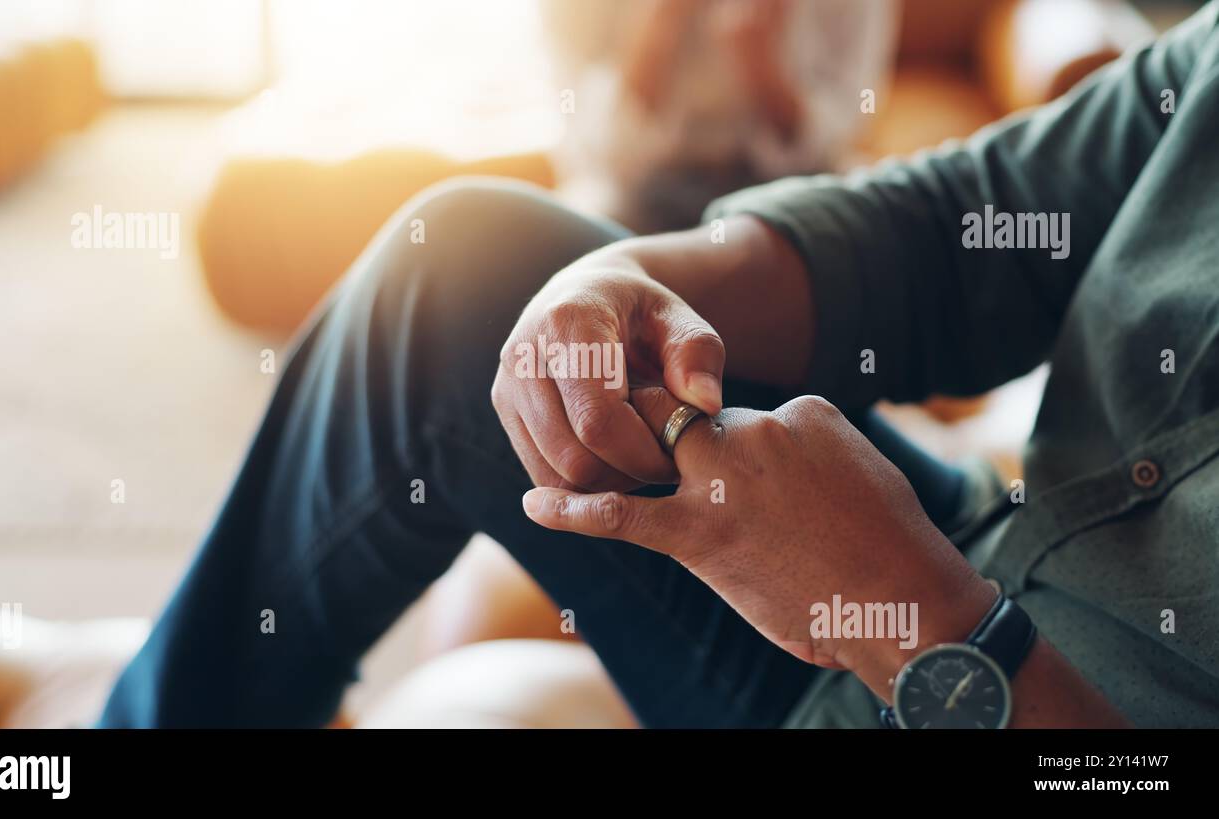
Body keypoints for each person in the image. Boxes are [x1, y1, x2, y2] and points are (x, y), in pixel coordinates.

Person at [100, 3, 1219, 728]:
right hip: (977, 548)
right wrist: (627, 280)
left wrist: (910, 615)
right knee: (463, 262)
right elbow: (963, 219)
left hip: (988, 692)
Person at [543, 0, 897, 233]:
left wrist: (760, 62)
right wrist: (658, 30)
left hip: (794, 182)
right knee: (581, 236)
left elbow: (843, 126)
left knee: (874, 225)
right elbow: (594, 142)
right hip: (641, 184)